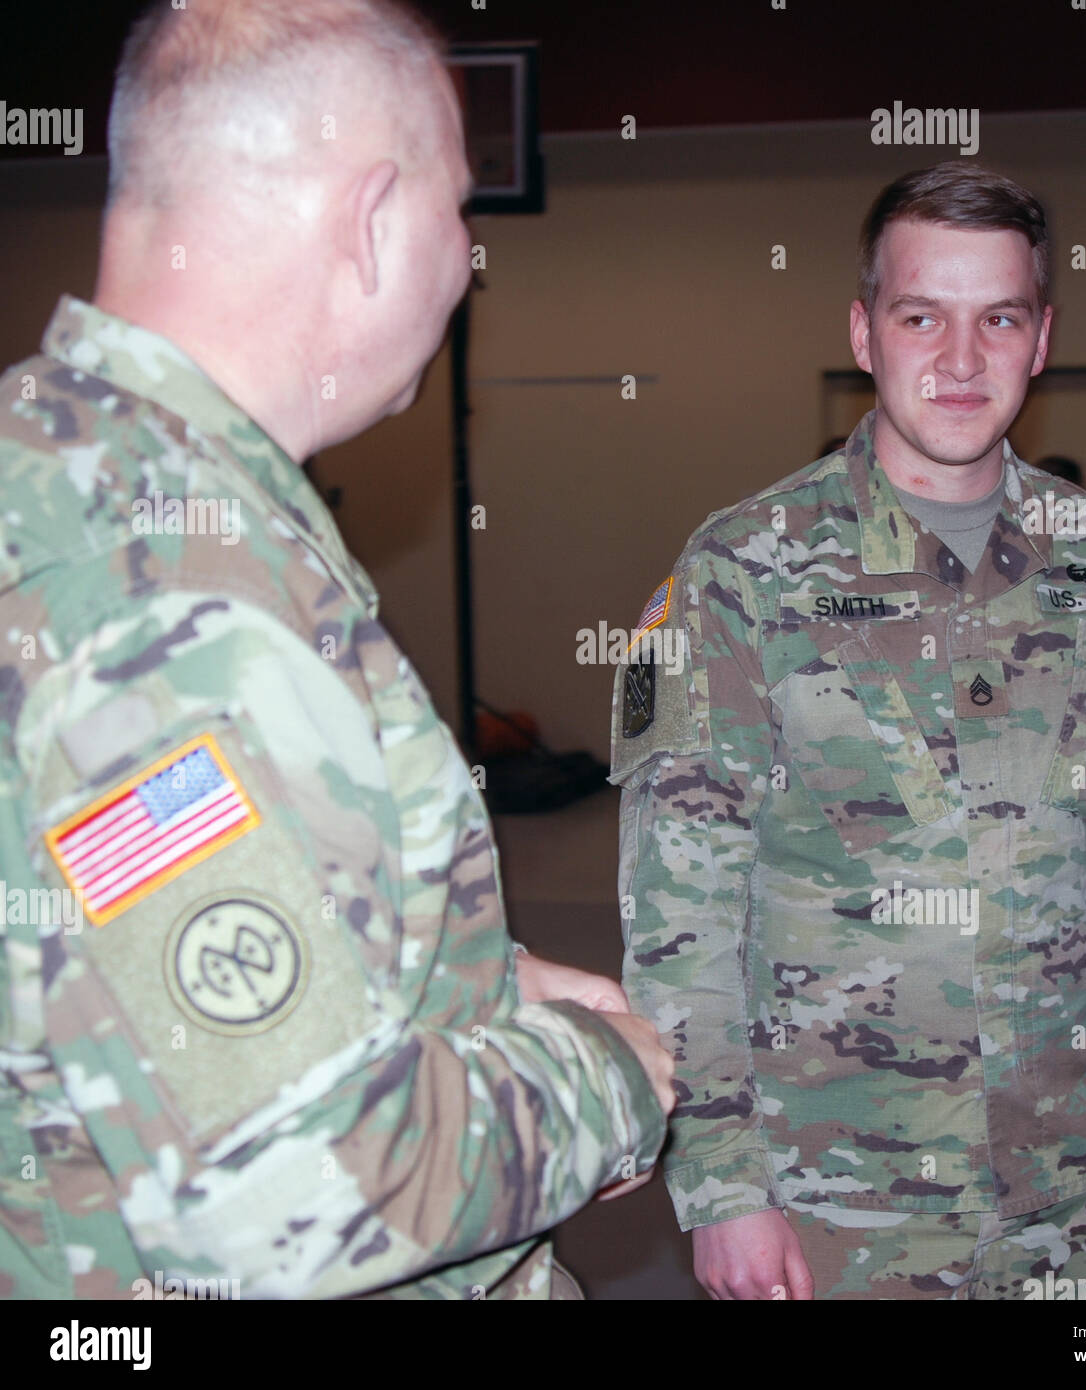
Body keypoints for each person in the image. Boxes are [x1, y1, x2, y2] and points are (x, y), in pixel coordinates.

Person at [0, 0, 673, 1301]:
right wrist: (610, 1082)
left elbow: (105, 953)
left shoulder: (59, 468)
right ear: (369, 222)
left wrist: (453, 984)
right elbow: (290, 1189)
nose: (464, 257)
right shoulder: (167, 589)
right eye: (456, 215)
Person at [613, 160, 1086, 1300]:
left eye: (995, 317)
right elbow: (679, 909)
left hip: (1072, 1189)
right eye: (919, 316)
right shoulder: (737, 573)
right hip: (834, 1200)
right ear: (862, 331)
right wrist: (719, 1184)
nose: (958, 360)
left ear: (1039, 338)